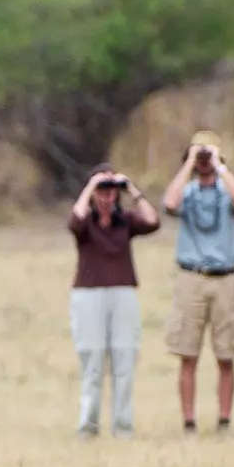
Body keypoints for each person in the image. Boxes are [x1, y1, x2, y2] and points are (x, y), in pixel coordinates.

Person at [162, 129, 234, 434]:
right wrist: (188, 164)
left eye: (208, 155)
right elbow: (169, 204)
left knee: (226, 354)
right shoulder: (186, 191)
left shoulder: (230, 189)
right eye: (199, 156)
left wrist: (220, 166)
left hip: (225, 277)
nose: (203, 161)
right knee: (188, 353)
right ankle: (188, 422)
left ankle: (224, 420)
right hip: (191, 276)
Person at [67, 163, 160, 438]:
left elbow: (154, 221)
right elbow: (74, 222)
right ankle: (88, 426)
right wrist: (90, 187)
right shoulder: (86, 223)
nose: (107, 198)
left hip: (123, 294)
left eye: (111, 192)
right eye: (102, 192)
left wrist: (130, 188)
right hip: (88, 295)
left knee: (124, 360)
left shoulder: (126, 221)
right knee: (92, 362)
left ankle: (123, 426)